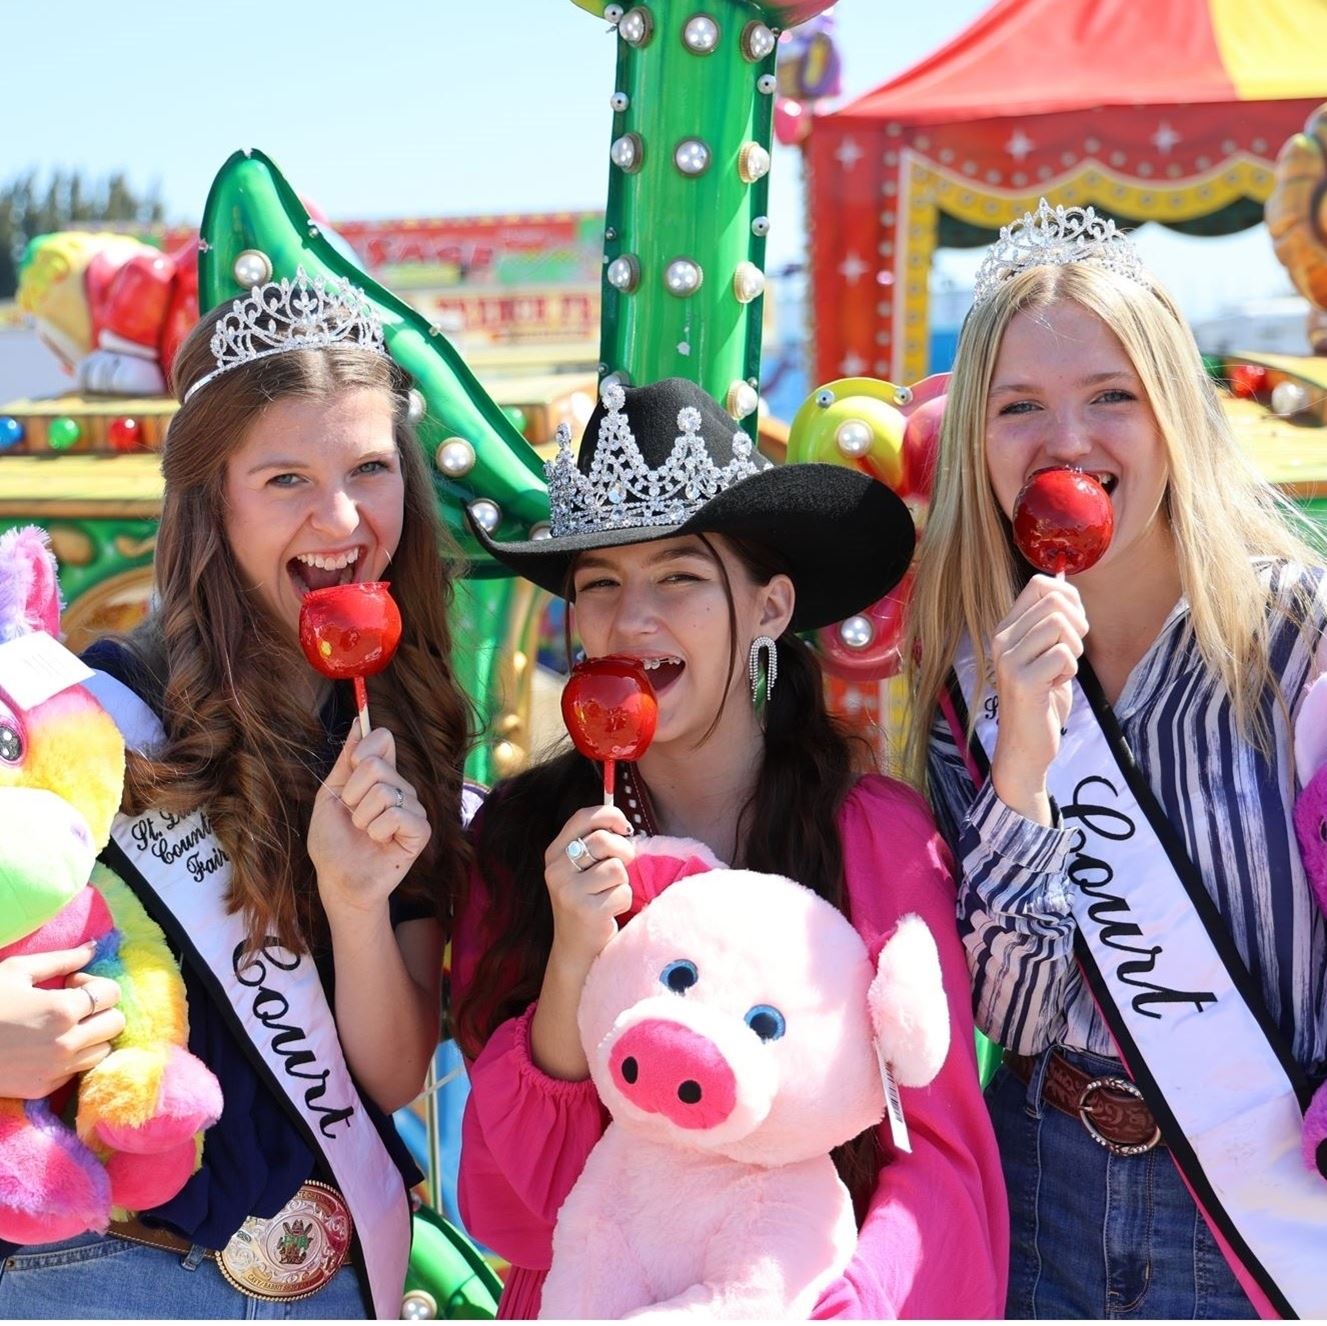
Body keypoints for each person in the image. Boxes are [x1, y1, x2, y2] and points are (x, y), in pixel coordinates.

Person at [451, 377, 1009, 1318]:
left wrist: (853, 1304)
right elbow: (525, 1210)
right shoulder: (517, 843)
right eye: (600, 585)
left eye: (676, 577)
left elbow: (938, 1152)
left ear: (769, 609)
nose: (631, 619)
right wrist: (574, 957)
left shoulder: (873, 837)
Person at [0, 270, 471, 1319]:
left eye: (369, 468)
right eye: (286, 480)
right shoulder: (85, 711)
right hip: (97, 1276)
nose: (340, 517)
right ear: (212, 499)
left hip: (325, 1283)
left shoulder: (410, 728)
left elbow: (389, 1081)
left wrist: (351, 901)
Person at [907, 200, 1327, 1319]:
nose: (1067, 441)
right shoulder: (965, 675)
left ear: (1173, 418)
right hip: (1042, 1181)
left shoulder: (1300, 643)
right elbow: (1019, 1014)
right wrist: (1020, 775)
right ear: (977, 447)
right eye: (1018, 409)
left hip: (1260, 1200)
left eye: (1109, 398)